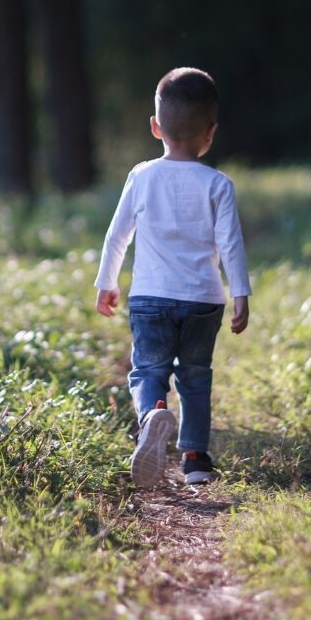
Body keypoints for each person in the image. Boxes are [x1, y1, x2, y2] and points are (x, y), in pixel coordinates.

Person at [94, 67, 251, 487]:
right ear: (210, 133)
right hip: (203, 298)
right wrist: (241, 293)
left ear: (155, 127)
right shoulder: (218, 184)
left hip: (150, 297)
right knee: (196, 375)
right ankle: (196, 459)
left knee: (148, 371)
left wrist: (106, 282)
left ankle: (152, 414)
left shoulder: (141, 176)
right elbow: (231, 243)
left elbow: (117, 235)